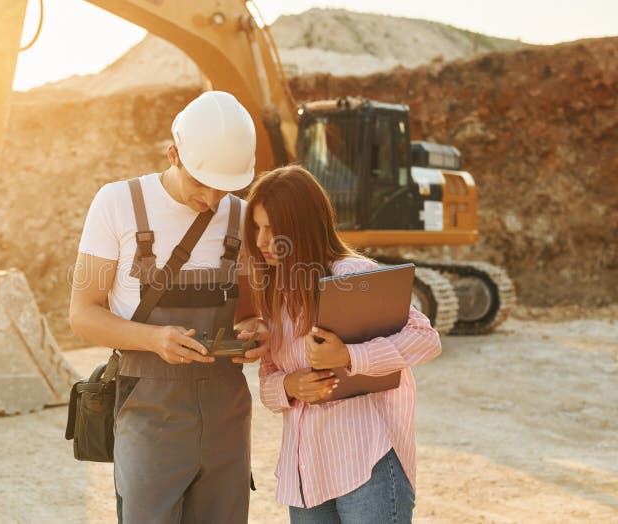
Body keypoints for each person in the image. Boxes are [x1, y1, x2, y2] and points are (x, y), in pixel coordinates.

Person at [69, 91, 268, 524]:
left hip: (226, 413)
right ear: (172, 153)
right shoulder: (117, 204)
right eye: (201, 183)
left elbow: (250, 314)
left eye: (225, 187)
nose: (213, 200)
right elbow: (82, 313)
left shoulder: (242, 216)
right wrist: (154, 340)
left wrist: (256, 333)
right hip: (148, 403)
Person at [244, 165, 441, 523]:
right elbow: (268, 380)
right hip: (306, 471)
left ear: (301, 226)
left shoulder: (350, 274)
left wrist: (349, 355)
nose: (260, 241)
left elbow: (426, 339)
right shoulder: (274, 293)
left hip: (367, 463)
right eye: (256, 228)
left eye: (271, 229)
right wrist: (290, 385)